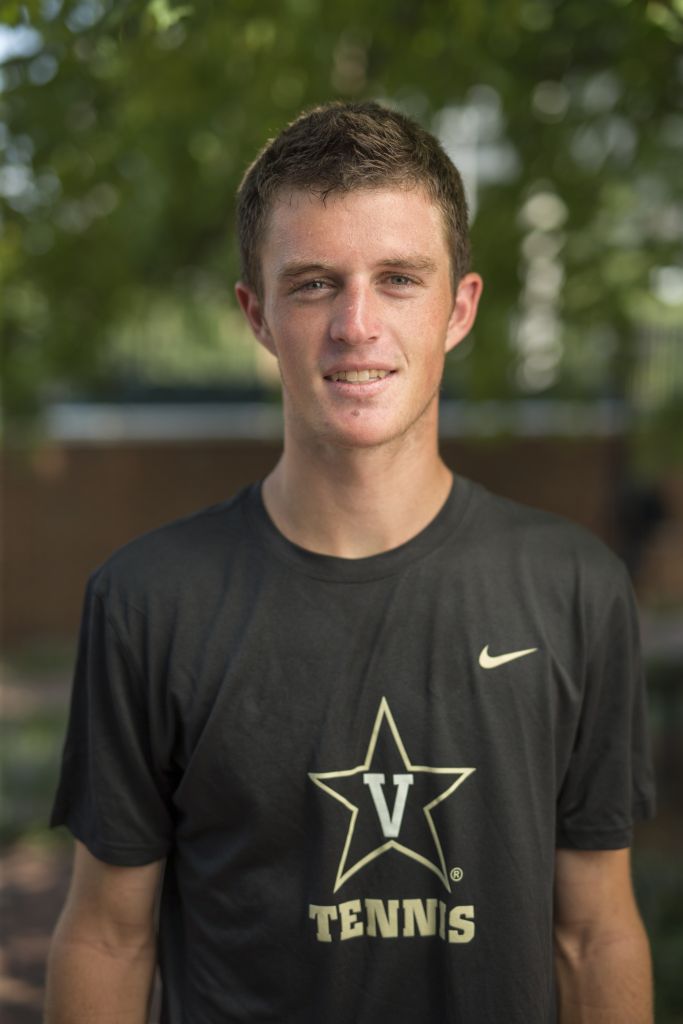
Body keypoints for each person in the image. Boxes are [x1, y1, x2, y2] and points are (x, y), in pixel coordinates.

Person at [45, 101, 655, 1023]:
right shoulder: (146, 602)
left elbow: (595, 932)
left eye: (399, 278)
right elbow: (107, 937)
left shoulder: (574, 589)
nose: (356, 325)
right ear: (256, 315)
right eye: (314, 284)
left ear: (460, 308)